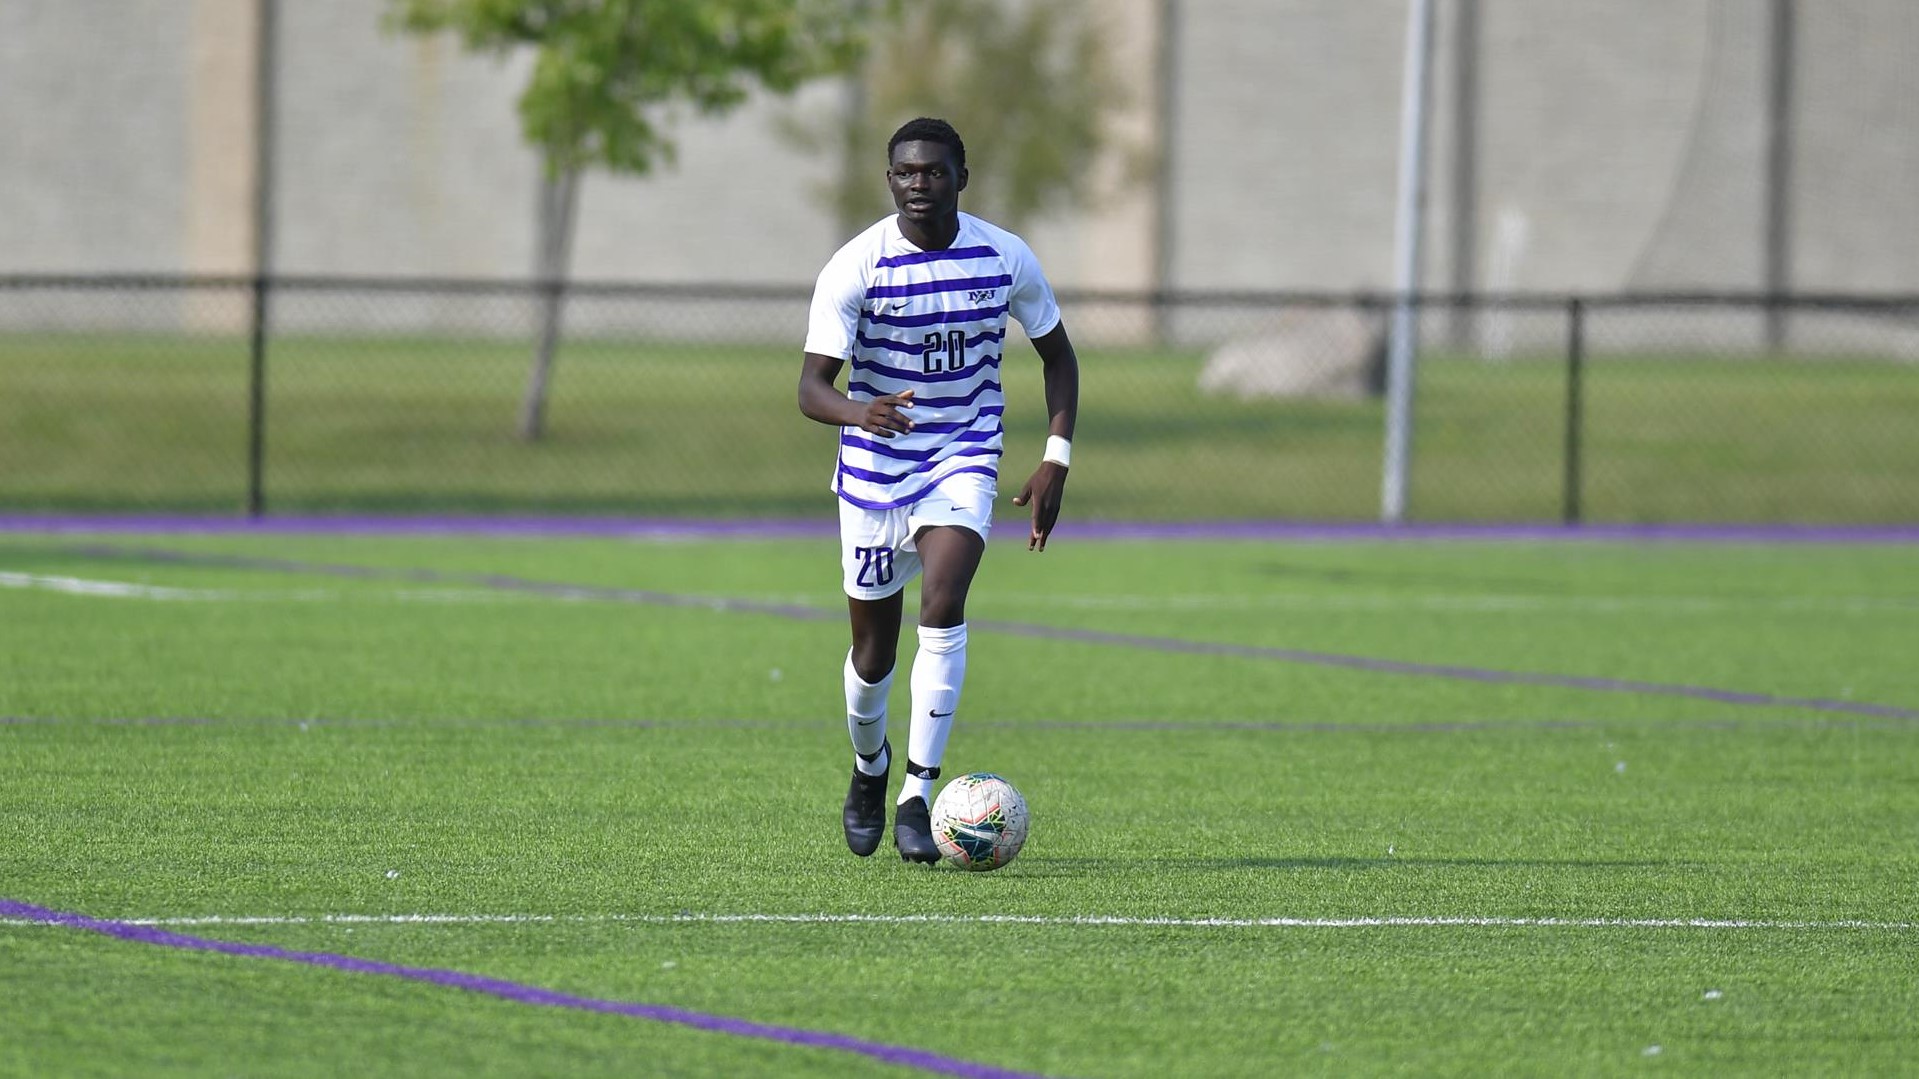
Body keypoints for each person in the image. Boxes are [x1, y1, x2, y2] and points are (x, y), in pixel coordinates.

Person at [797, 117, 1081, 863]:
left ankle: (916, 795)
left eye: (932, 171)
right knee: (871, 659)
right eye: (904, 172)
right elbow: (810, 388)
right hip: (873, 471)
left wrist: (1054, 457)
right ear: (889, 179)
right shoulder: (857, 265)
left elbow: (1058, 356)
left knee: (944, 601)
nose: (917, 184)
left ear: (961, 176)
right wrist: (860, 412)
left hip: (963, 452)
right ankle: (870, 767)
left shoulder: (1004, 255)